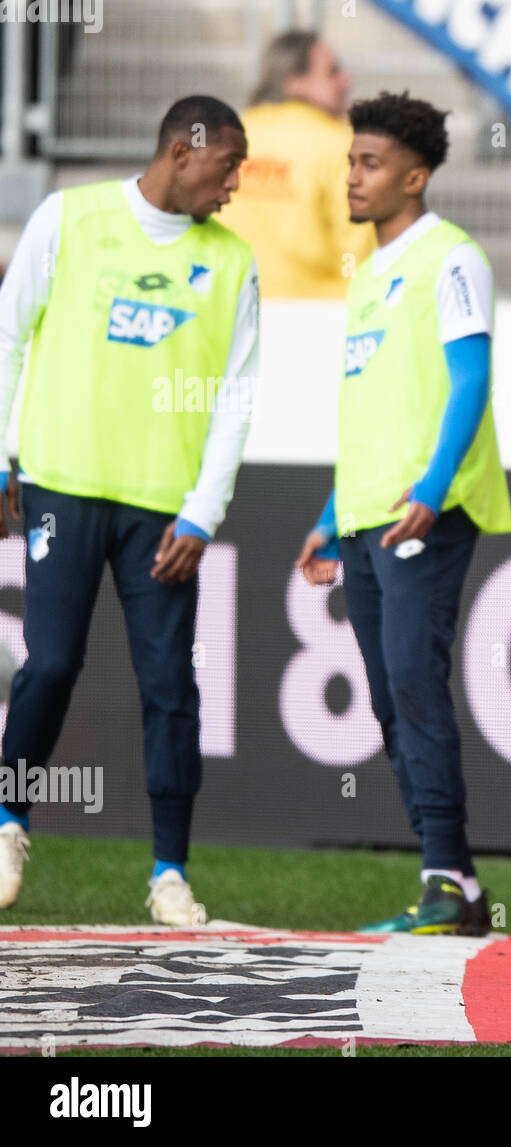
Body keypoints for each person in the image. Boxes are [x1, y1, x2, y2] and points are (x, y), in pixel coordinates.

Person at [0, 96, 260, 923]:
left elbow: (236, 400)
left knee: (169, 687)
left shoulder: (233, 265)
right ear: (185, 153)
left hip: (162, 509)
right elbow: (8, 335)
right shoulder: (67, 218)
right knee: (49, 664)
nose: (233, 188)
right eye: (228, 168)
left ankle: (170, 873)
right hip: (61, 483)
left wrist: (202, 512)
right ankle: (8, 818)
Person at [294, 92, 511, 936]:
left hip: (425, 511)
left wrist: (428, 491)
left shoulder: (450, 258)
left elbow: (469, 382)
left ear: (415, 177)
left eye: (370, 164)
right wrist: (327, 511)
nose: (353, 177)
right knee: (390, 696)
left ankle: (447, 880)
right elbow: (372, 411)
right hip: (365, 515)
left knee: (415, 683)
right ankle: (450, 877)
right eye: (351, 161)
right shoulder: (372, 273)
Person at [219, 30, 374, 298]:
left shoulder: (227, 135)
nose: (346, 80)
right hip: (319, 316)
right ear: (294, 83)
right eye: (332, 71)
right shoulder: (343, 145)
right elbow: (359, 247)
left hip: (232, 308)